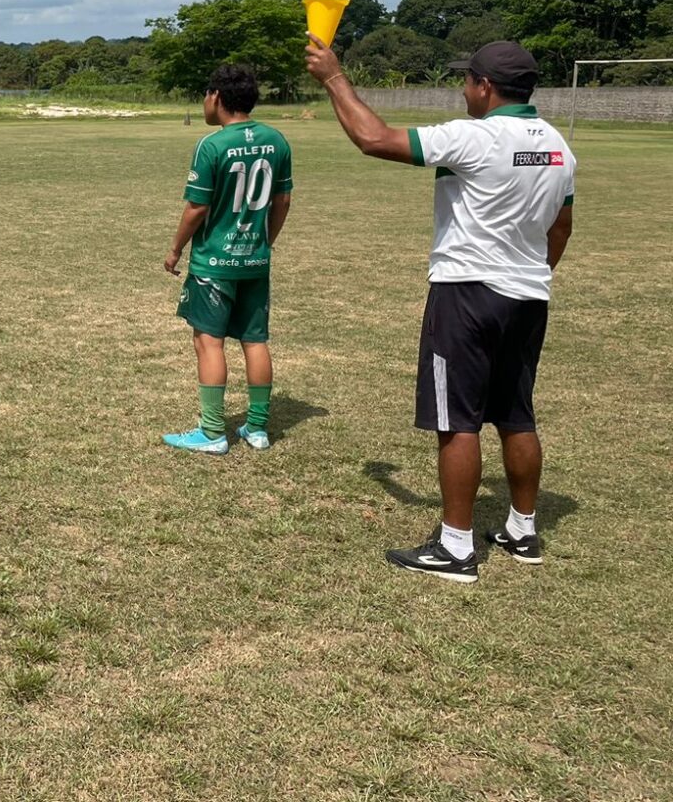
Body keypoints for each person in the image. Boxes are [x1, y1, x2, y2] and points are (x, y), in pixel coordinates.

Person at [305, 37, 575, 584]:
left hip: (468, 293)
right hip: (528, 295)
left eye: (467, 81)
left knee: (457, 419)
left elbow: (373, 138)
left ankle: (456, 547)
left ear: (485, 87)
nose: (464, 89)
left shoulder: (474, 136)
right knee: (516, 413)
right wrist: (529, 273)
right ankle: (523, 529)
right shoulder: (557, 145)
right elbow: (561, 227)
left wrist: (334, 77)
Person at [161, 65, 293, 455]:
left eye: (205, 94)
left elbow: (196, 208)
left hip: (214, 262)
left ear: (216, 97)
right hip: (255, 259)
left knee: (209, 342)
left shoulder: (212, 145)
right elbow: (282, 200)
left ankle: (213, 431)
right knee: (255, 340)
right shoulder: (277, 140)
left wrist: (175, 249)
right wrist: (265, 241)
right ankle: (257, 428)